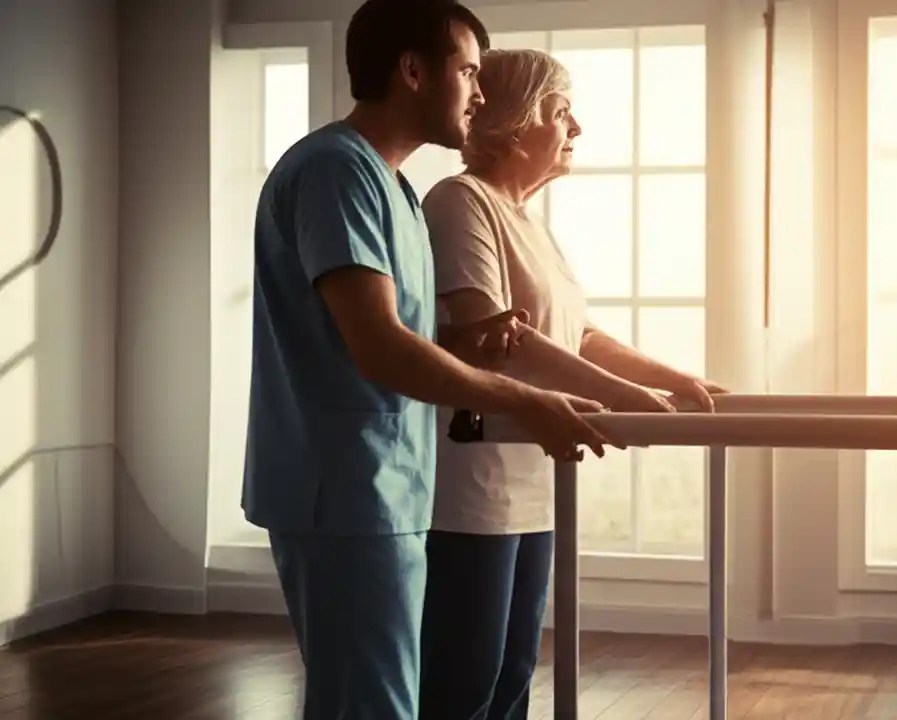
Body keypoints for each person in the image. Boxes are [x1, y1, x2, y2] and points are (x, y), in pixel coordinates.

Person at [240, 3, 620, 719]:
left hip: (386, 488)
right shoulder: (334, 171)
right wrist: (524, 399)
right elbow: (377, 346)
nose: (479, 93)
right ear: (414, 72)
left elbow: (389, 338)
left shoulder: (398, 192)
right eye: (470, 70)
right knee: (374, 706)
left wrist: (465, 343)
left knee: (386, 700)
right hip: (343, 488)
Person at [417, 48, 728, 719]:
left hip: (536, 478)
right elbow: (496, 334)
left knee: (512, 674)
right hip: (475, 481)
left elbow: (577, 337)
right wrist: (620, 398)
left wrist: (674, 379)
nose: (576, 128)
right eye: (561, 112)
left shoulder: (530, 222)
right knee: (465, 677)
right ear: (516, 121)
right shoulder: (461, 202)